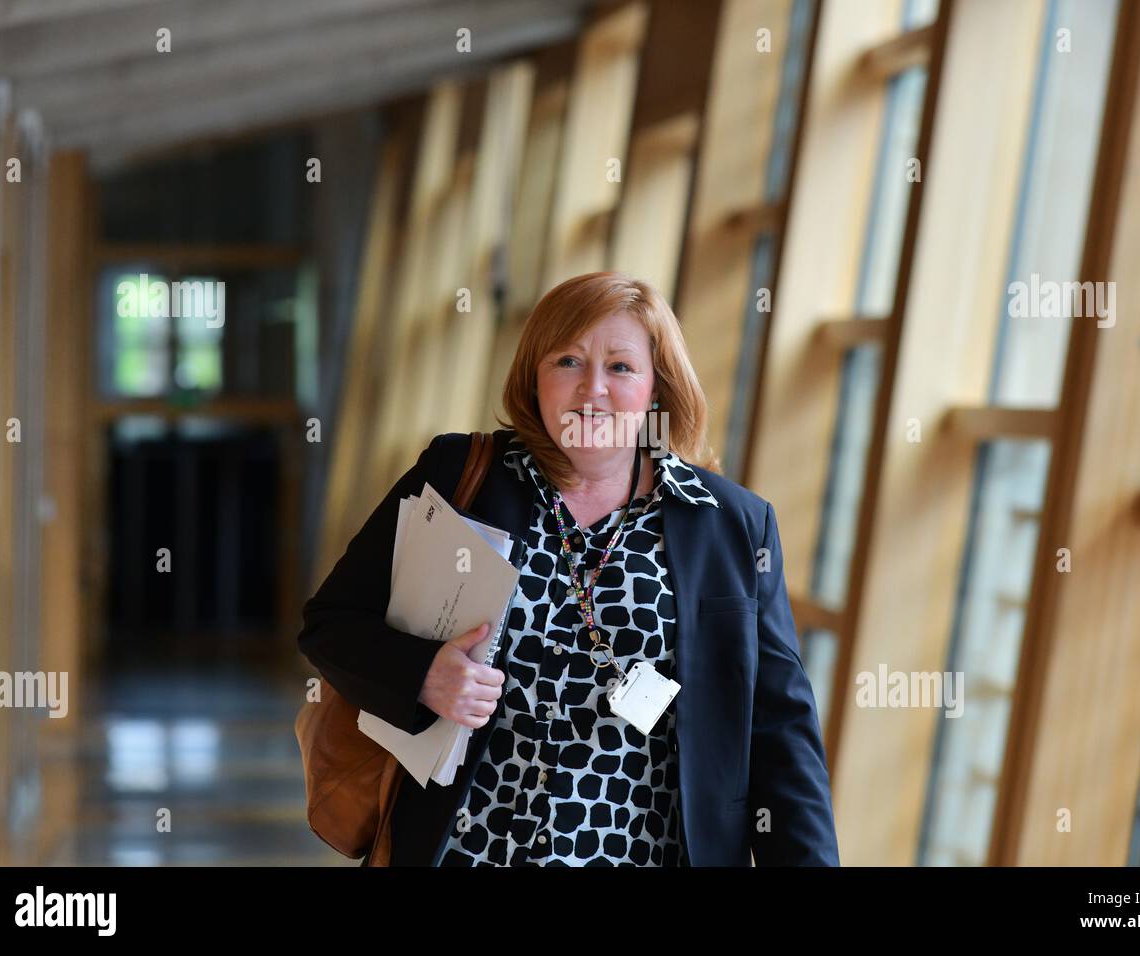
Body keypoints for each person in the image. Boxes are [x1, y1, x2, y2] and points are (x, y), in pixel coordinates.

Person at [298, 271, 839, 866]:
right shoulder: (462, 479)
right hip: (470, 851)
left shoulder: (731, 525)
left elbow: (781, 732)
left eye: (621, 368)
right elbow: (331, 623)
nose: (593, 391)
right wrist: (423, 675)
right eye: (568, 362)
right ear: (534, 378)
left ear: (657, 387)